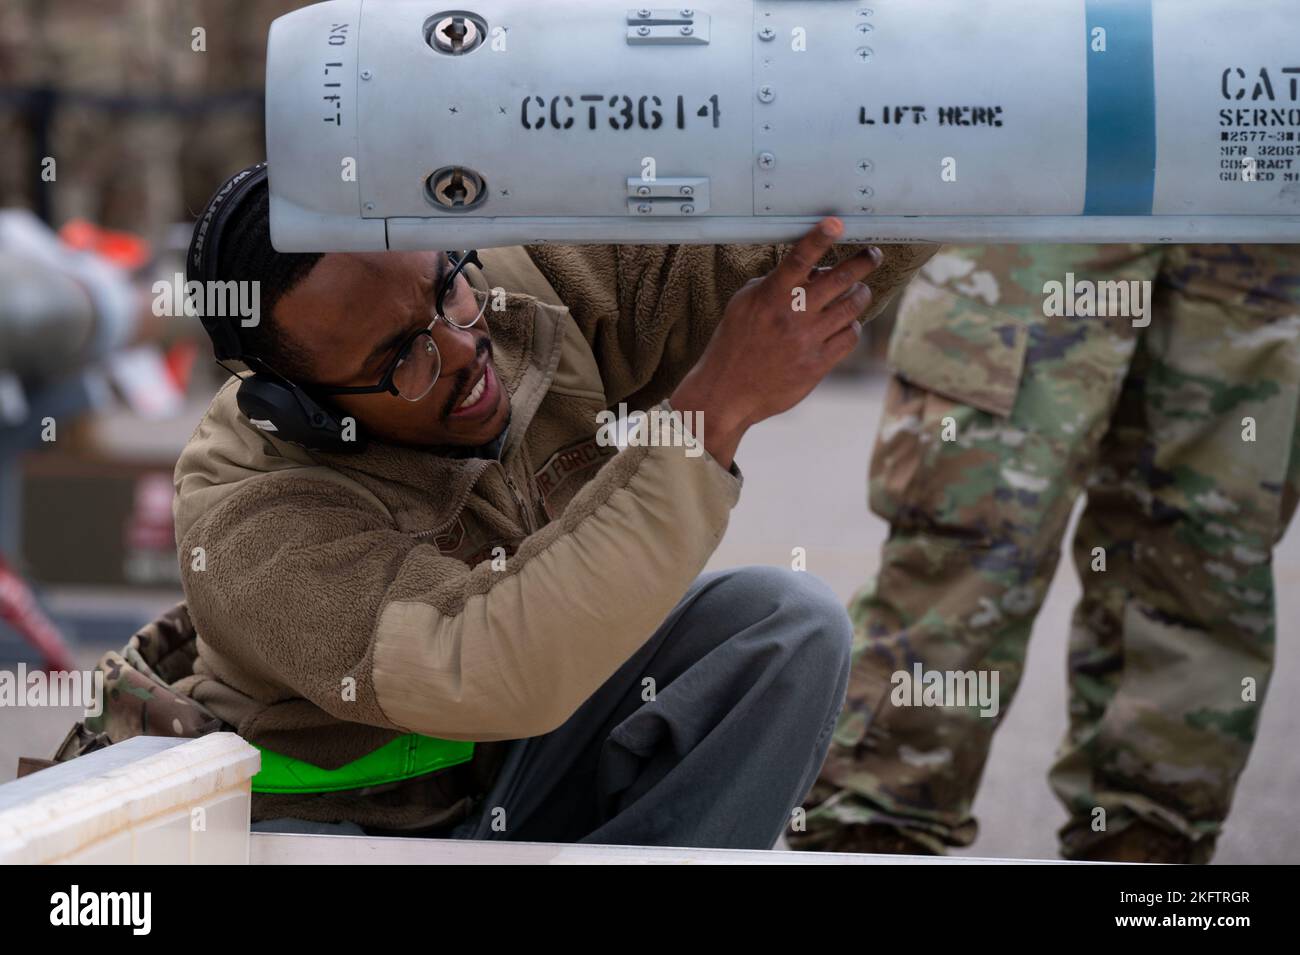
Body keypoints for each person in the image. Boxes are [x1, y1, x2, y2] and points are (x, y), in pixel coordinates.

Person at [52, 163, 935, 848]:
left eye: (445, 289)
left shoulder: (510, 294)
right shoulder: (252, 519)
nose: (464, 348)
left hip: (507, 778)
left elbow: (735, 267)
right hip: (344, 830)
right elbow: (489, 663)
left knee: (785, 626)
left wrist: (928, 154)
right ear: (302, 410)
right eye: (402, 356)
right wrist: (708, 420)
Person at [792, 243, 1300, 863]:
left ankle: (1149, 867)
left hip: (1261, 216)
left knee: (1209, 559)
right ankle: (874, 836)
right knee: (966, 536)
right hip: (1055, 198)